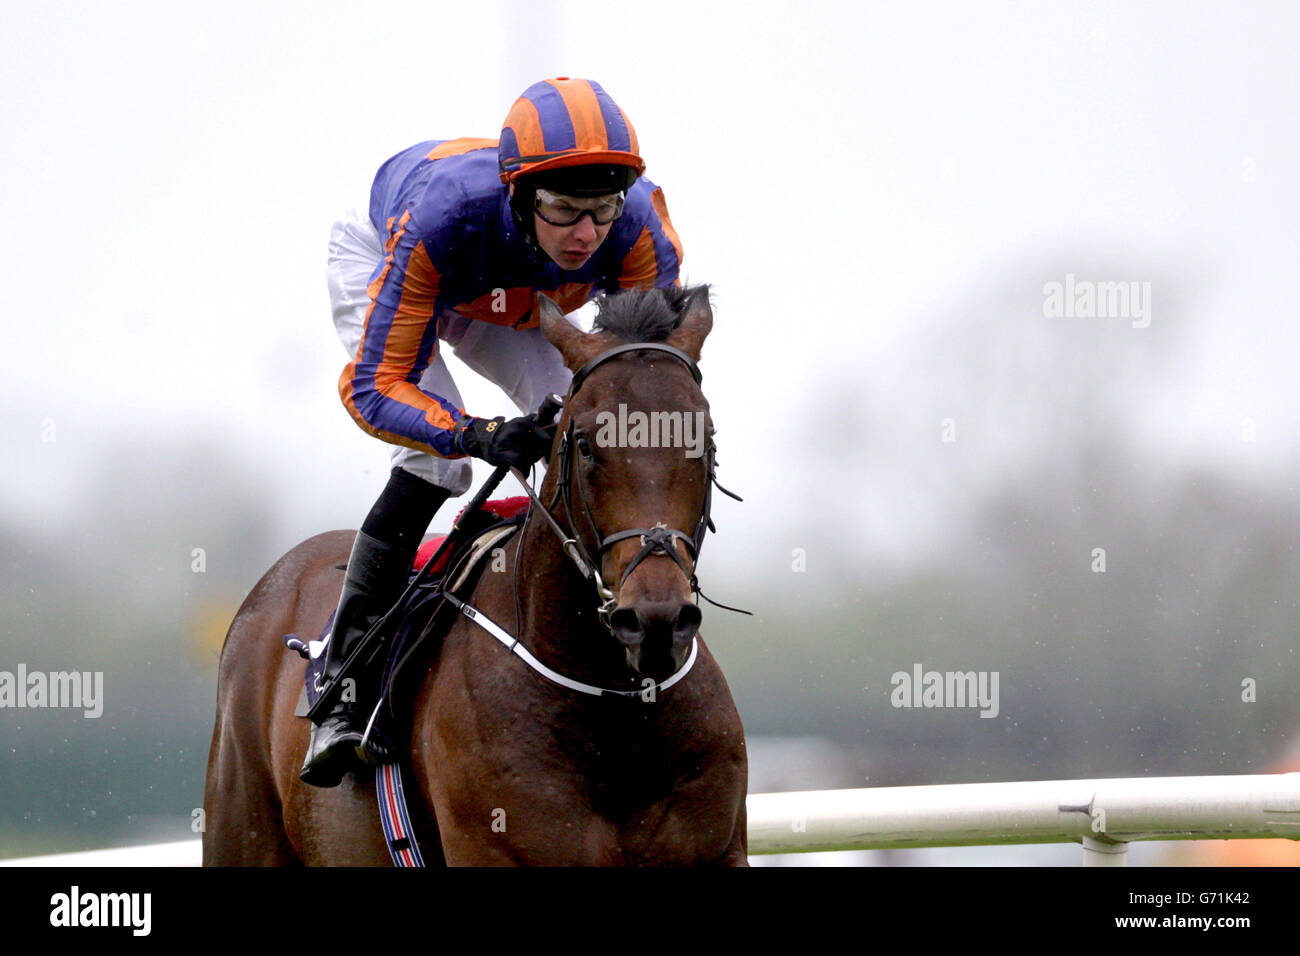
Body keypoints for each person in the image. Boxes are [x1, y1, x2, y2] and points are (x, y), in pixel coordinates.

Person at [302, 77, 684, 787]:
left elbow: (649, 379)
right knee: (436, 468)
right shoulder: (439, 218)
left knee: (588, 427)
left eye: (601, 213)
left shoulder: (638, 228)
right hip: (409, 260)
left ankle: (603, 634)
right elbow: (374, 388)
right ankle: (343, 681)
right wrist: (477, 436)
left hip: (509, 284)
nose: (586, 236)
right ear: (519, 195)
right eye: (567, 212)